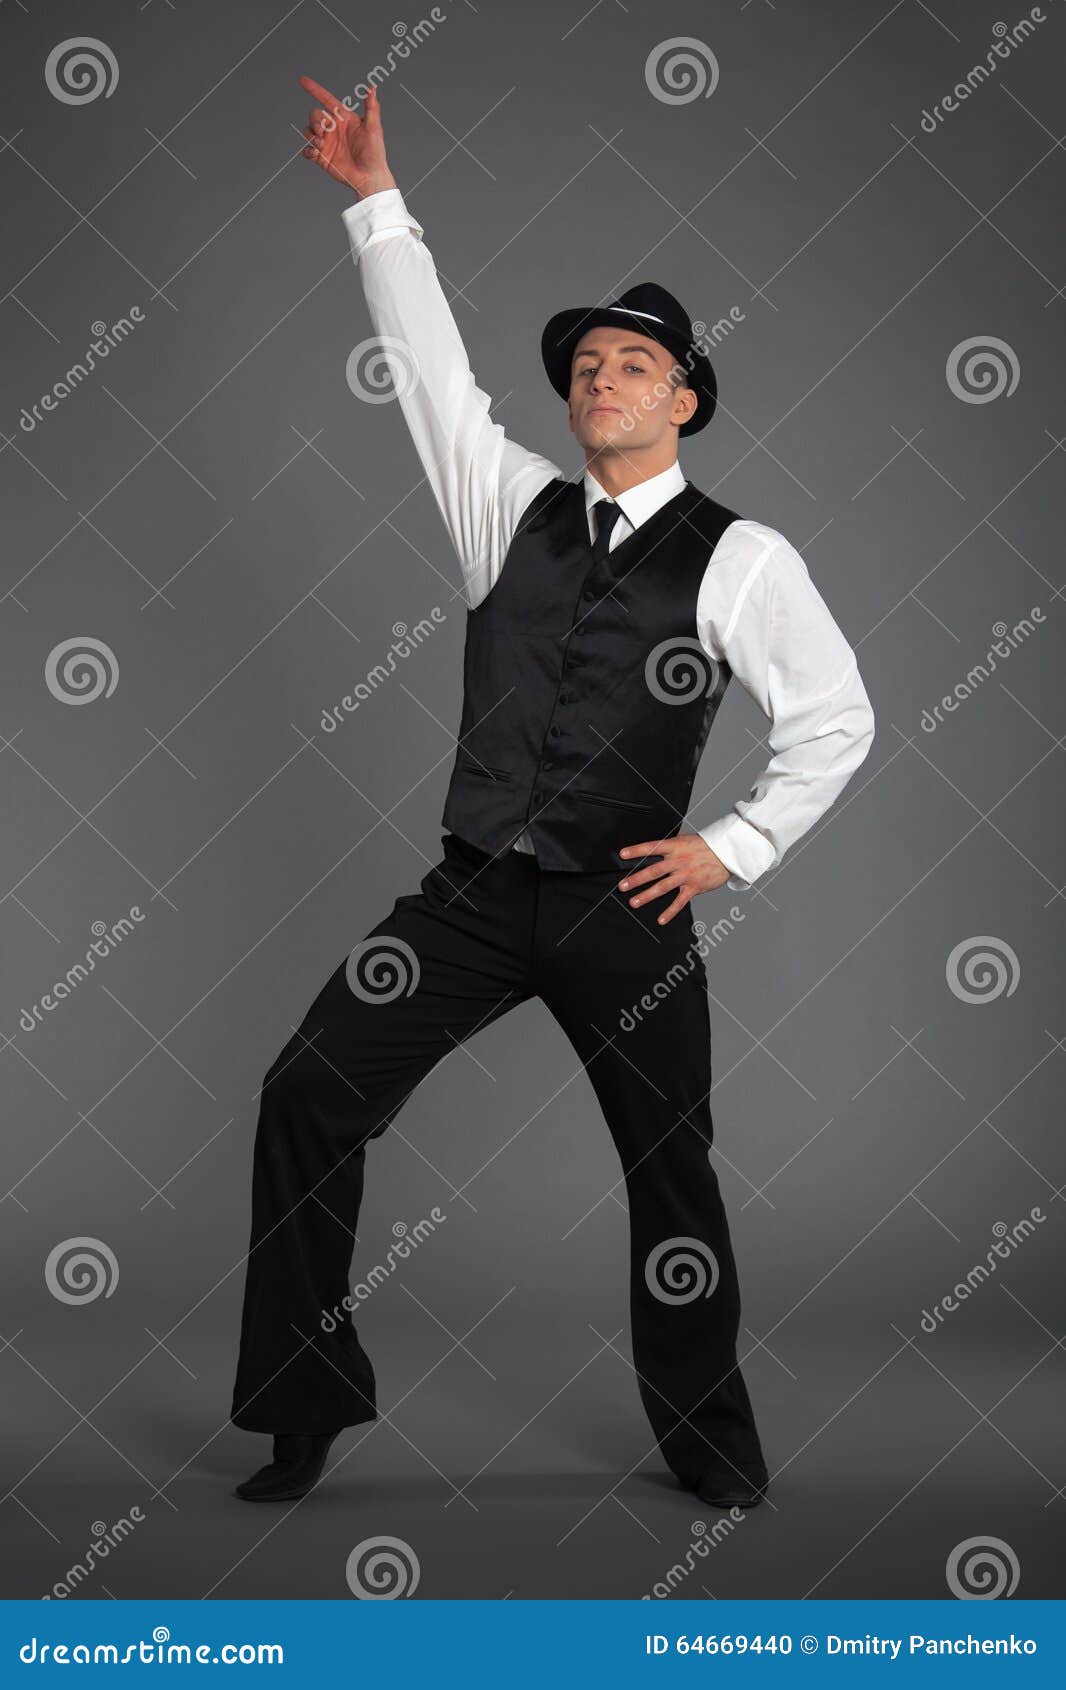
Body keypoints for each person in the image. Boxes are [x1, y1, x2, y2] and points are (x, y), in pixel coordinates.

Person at [228, 77, 876, 1505]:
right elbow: (427, 366)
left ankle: (710, 1441)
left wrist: (733, 845)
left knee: (671, 1172)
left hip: (623, 909)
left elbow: (837, 718)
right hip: (470, 894)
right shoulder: (504, 502)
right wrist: (375, 202)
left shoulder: (742, 557)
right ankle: (301, 1402)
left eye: (633, 364)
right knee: (306, 1089)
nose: (601, 379)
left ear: (684, 397)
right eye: (585, 363)